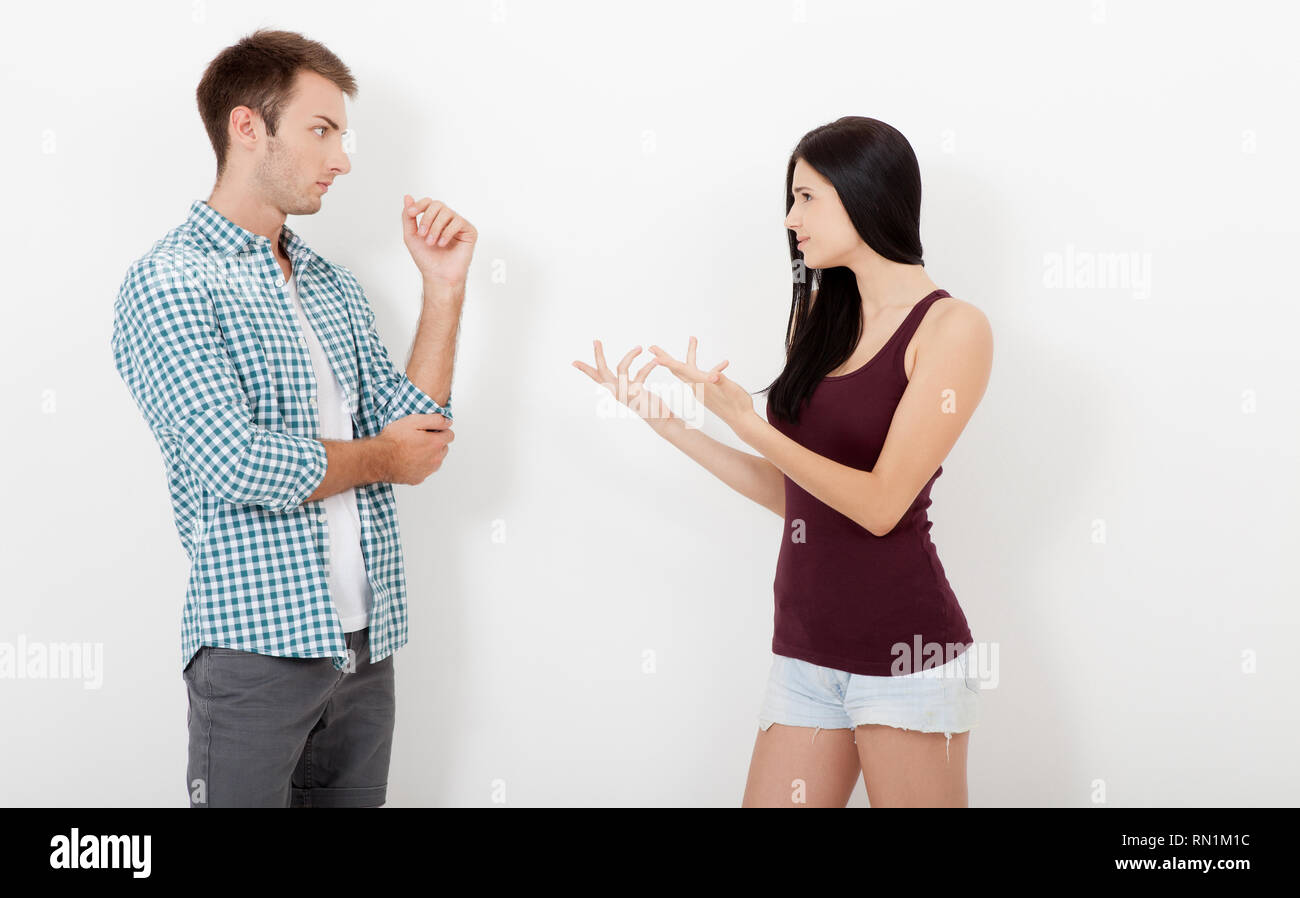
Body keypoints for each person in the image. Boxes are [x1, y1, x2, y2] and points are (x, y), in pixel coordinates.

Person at [573, 116, 993, 807]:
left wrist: (748, 421)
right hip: (804, 653)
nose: (791, 219)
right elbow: (793, 496)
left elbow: (881, 504)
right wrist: (664, 418)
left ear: (864, 193)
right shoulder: (821, 321)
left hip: (905, 658)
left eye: (807, 197)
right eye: (789, 200)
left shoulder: (954, 329)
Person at [110, 29, 475, 807]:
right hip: (253, 656)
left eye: (341, 134)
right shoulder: (171, 282)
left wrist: (442, 291)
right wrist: (380, 457)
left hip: (364, 653)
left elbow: (419, 434)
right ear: (248, 128)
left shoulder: (331, 286)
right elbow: (235, 462)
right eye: (322, 130)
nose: (342, 158)